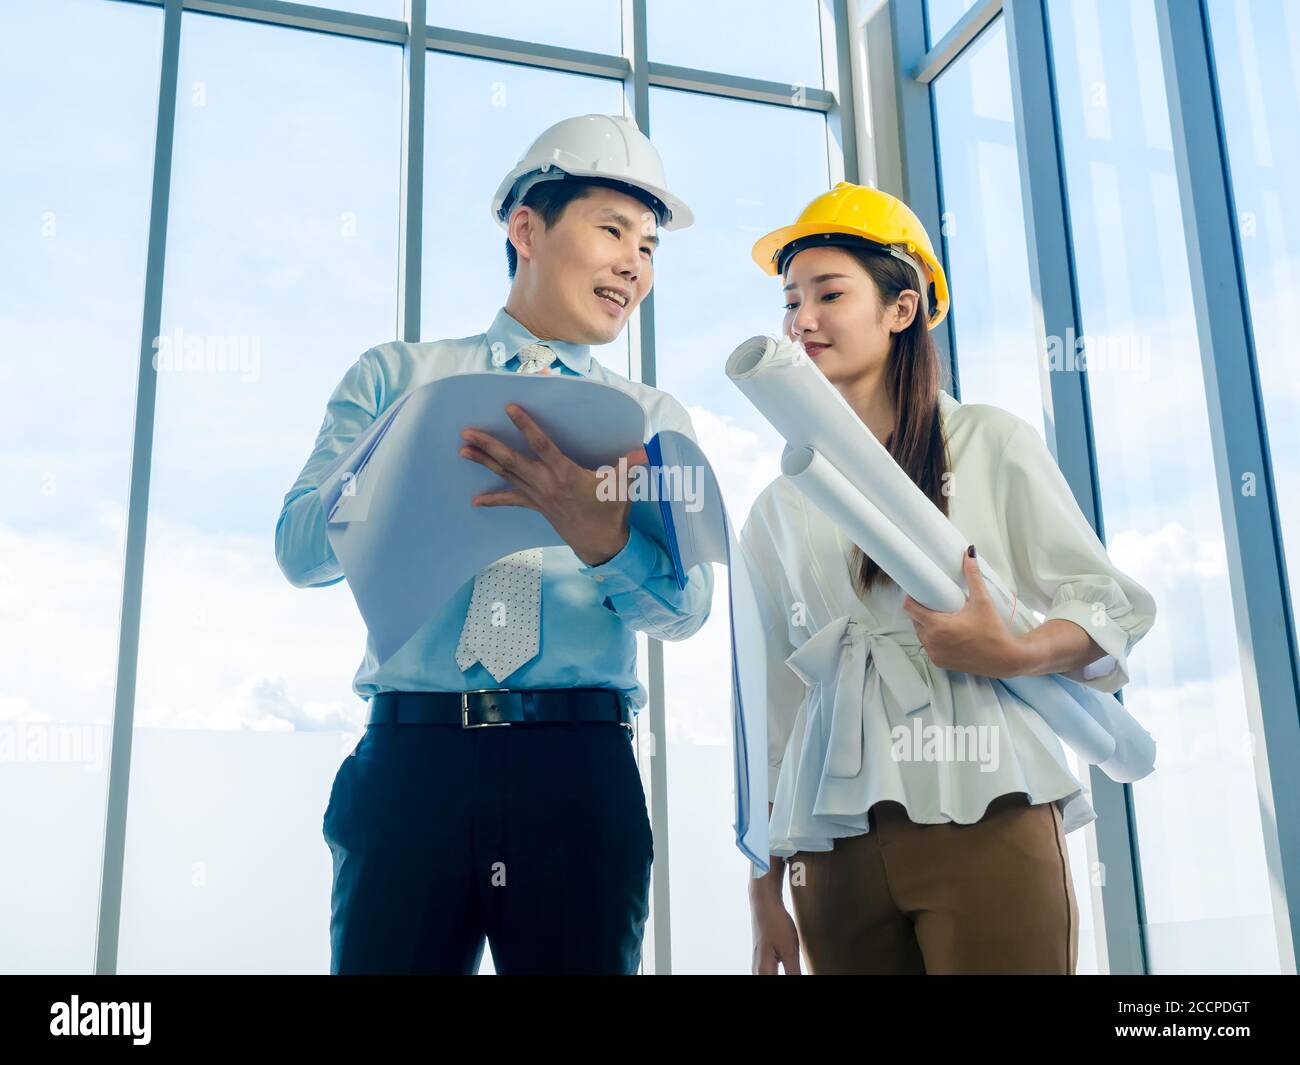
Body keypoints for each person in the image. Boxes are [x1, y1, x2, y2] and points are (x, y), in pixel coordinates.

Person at [275, 114, 713, 975]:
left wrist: (603, 536)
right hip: (410, 764)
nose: (635, 263)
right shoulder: (394, 377)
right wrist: (391, 460)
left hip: (576, 774)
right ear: (526, 230)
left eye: (651, 247)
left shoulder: (654, 423)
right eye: (613, 230)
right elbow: (299, 551)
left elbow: (685, 609)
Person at [742, 182, 1156, 975]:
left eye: (830, 293)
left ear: (902, 310)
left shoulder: (986, 442)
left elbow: (1105, 602)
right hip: (831, 837)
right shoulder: (780, 503)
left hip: (986, 803)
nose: (803, 321)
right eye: (791, 301)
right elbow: (773, 703)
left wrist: (1014, 652)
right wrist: (762, 885)